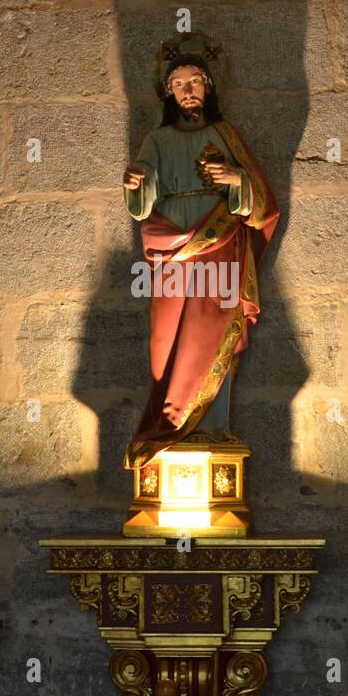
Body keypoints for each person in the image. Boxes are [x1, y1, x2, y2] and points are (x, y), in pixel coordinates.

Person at [121, 42, 280, 470]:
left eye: (194, 81)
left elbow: (263, 203)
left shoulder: (226, 137)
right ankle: (169, 424)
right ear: (168, 92)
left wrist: (236, 179)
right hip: (169, 246)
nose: (187, 89)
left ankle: (210, 427)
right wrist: (136, 182)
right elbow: (142, 195)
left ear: (208, 87)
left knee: (212, 335)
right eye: (178, 84)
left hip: (219, 247)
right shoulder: (157, 139)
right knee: (166, 342)